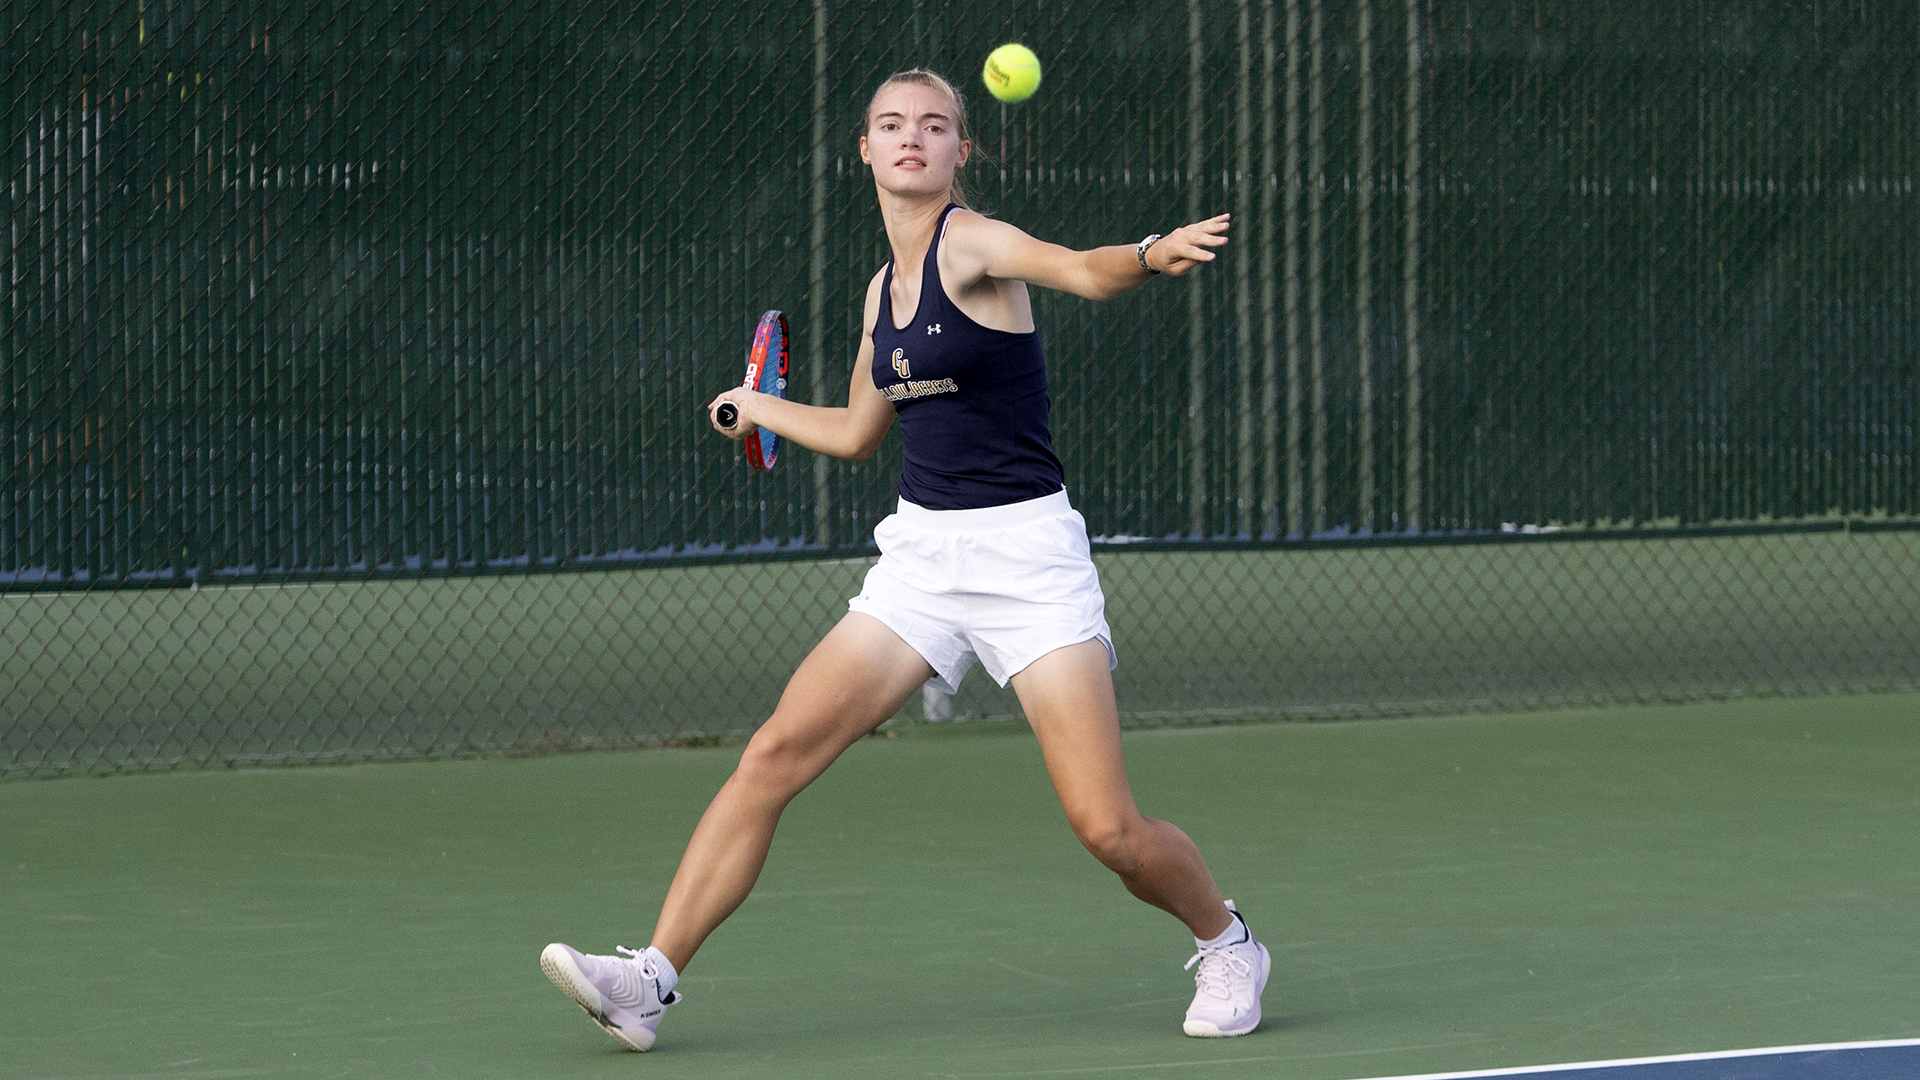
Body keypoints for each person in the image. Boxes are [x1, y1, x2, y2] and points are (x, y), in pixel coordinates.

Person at [540, 68, 1266, 1052]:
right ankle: (647, 980)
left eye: (933, 125)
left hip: (1026, 559)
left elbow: (1082, 269)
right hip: (922, 559)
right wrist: (756, 408)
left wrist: (1146, 251)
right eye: (892, 125)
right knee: (773, 757)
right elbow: (855, 432)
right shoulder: (883, 293)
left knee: (1108, 830)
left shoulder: (974, 245)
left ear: (962, 150)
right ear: (867, 152)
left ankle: (1226, 941)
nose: (912, 138)